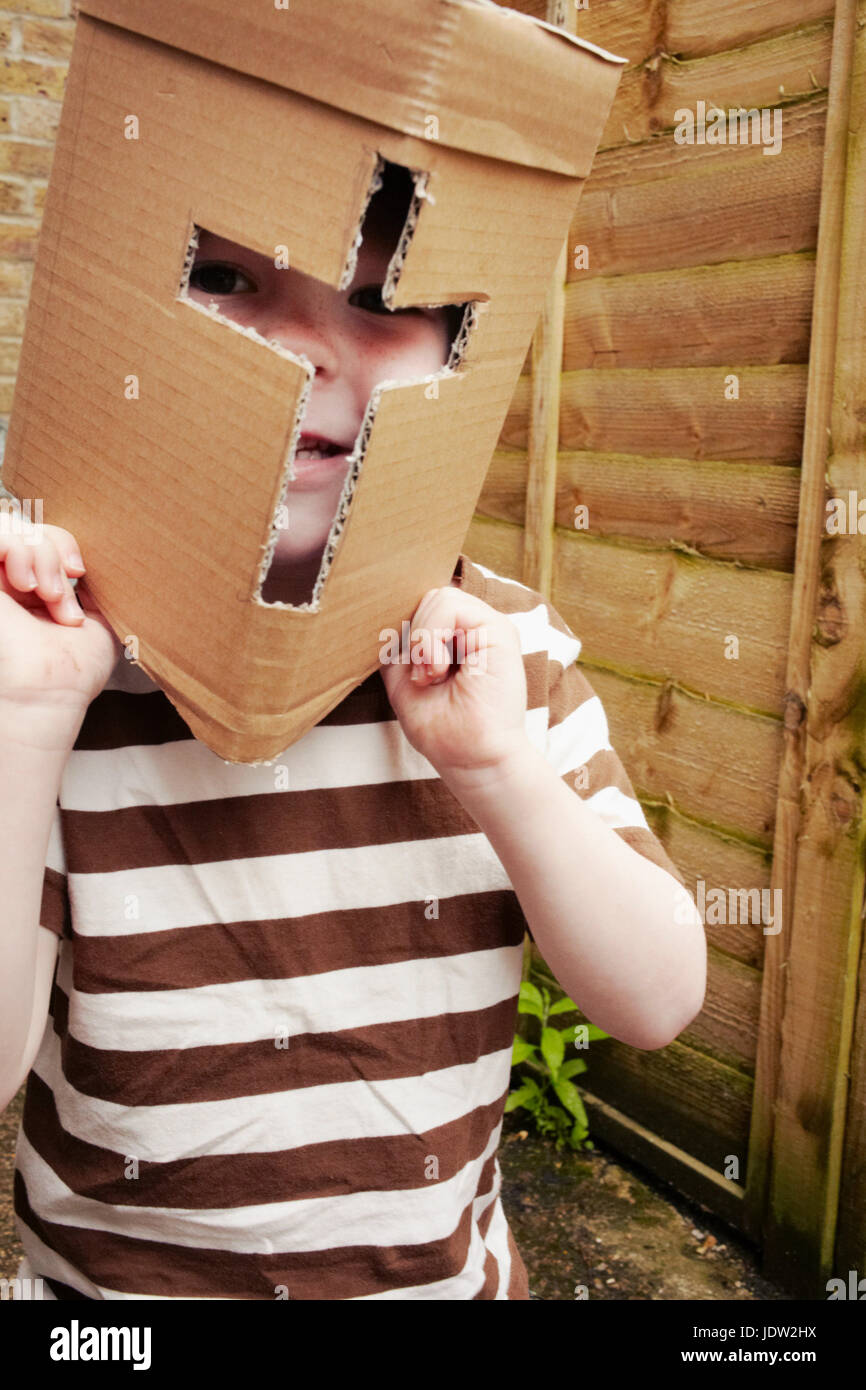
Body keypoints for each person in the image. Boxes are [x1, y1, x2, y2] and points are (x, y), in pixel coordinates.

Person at [0, 164, 706, 1300]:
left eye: (382, 300)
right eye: (227, 277)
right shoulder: (55, 671)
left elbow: (657, 998)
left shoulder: (506, 655)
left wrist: (497, 767)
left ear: (461, 352)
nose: (304, 348)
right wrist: (27, 720)